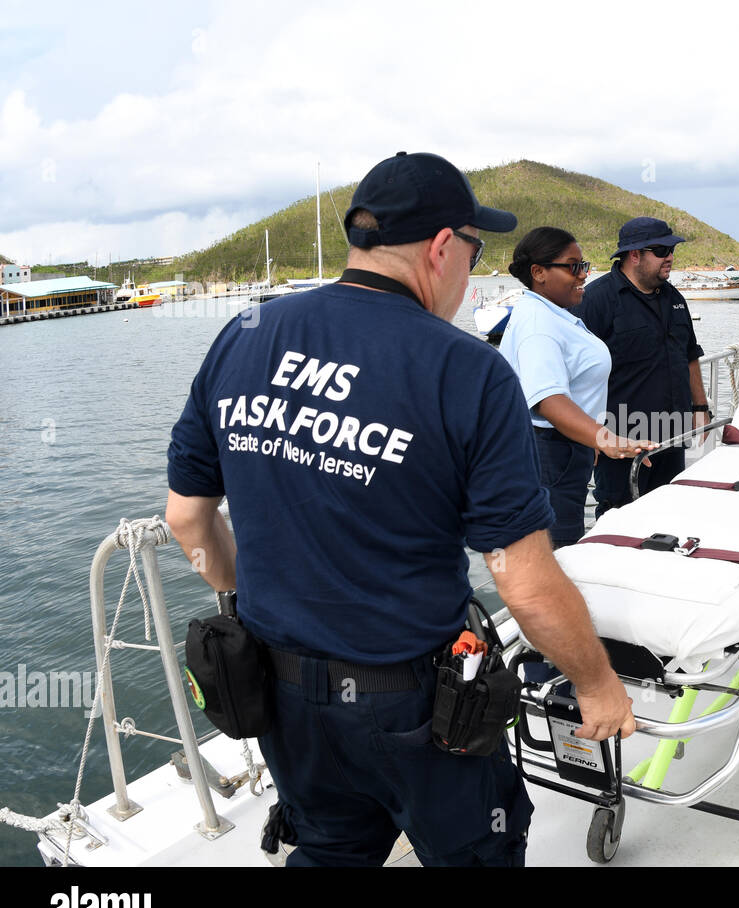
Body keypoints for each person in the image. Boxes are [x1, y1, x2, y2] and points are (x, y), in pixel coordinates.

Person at [165, 151, 634, 867]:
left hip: (281, 696)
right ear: (444, 247)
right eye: (474, 252)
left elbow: (188, 521)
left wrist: (244, 591)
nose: (470, 273)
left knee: (326, 851)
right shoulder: (466, 369)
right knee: (475, 852)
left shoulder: (245, 333)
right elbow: (525, 582)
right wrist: (597, 684)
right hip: (416, 708)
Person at [498, 227, 656, 548]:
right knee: (557, 550)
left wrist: (589, 438)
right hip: (549, 454)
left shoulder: (553, 313)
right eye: (574, 267)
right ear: (539, 273)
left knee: (562, 541)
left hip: (566, 447)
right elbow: (547, 400)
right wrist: (607, 440)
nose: (583, 275)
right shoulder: (538, 324)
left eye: (584, 266)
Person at [571, 217, 711, 516]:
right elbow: (574, 372)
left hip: (672, 433)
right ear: (634, 255)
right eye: (661, 250)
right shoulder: (596, 301)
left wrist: (700, 408)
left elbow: (689, 353)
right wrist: (589, 435)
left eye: (672, 249)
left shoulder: (674, 298)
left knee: (670, 516)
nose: (670, 257)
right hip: (621, 438)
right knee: (620, 521)